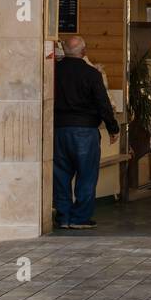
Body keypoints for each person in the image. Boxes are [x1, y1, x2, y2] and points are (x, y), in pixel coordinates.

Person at [54, 36, 119, 231]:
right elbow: (103, 103)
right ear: (83, 52)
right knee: (86, 175)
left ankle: (63, 217)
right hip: (85, 132)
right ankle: (80, 218)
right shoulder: (91, 74)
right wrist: (112, 128)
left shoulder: (52, 72)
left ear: (64, 51)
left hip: (58, 130)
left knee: (60, 175)